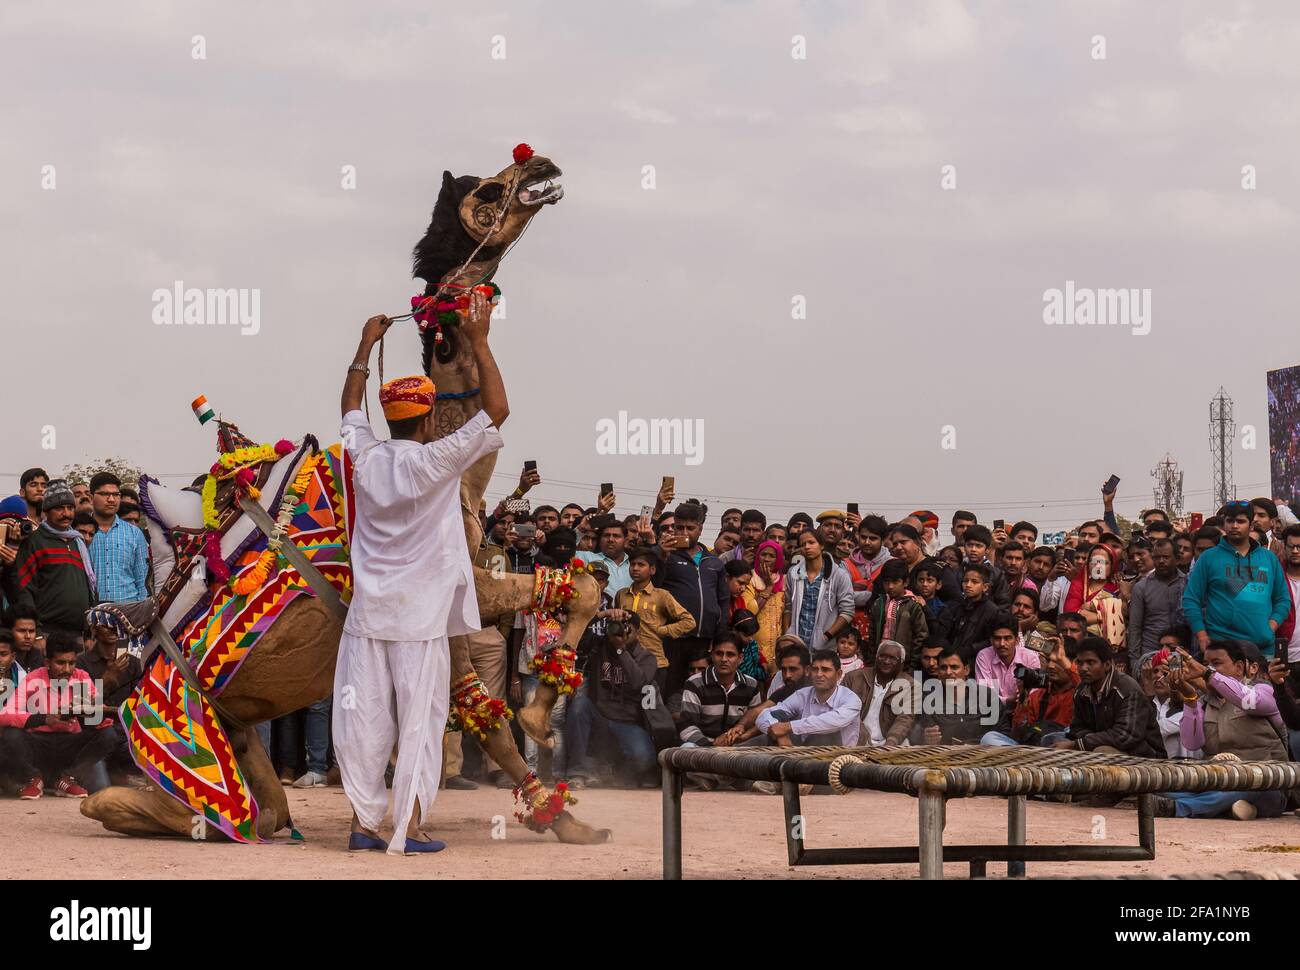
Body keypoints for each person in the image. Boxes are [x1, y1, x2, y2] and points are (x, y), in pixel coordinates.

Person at [332, 297, 506, 856]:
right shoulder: (438, 460)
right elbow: (497, 412)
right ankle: (409, 827)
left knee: (364, 723)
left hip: (367, 619)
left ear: (391, 418)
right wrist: (479, 340)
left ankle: (364, 824)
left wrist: (365, 346)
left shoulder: (364, 455)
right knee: (420, 723)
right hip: (421, 621)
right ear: (430, 418)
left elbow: (350, 410)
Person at [1153, 642, 1289, 819]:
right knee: (1163, 786)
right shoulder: (1205, 702)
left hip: (1267, 785)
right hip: (1218, 782)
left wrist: (1206, 674)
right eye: (1205, 663)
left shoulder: (1263, 690)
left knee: (1246, 786)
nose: (1207, 668)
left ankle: (1179, 808)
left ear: (1239, 667)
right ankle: (1234, 809)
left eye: (1216, 663)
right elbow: (1192, 744)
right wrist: (1190, 699)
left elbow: (1245, 699)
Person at [0, 635, 118, 799]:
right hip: (38, 744)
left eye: (72, 663)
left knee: (108, 734)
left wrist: (94, 711)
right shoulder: (33, 678)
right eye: (61, 663)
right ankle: (32, 778)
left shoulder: (81, 677)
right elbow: (4, 714)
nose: (67, 669)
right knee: (11, 734)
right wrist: (45, 718)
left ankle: (68, 778)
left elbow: (100, 720)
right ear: (47, 663)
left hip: (70, 743)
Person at [1182, 501, 1291, 657]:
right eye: (1230, 521)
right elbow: (1190, 599)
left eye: (1240, 521)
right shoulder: (1208, 558)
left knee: (1261, 683)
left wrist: (1269, 628)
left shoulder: (1269, 558)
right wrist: (1201, 634)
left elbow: (1283, 600)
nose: (1234, 526)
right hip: (1222, 650)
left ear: (1251, 525)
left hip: (1263, 650)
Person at [565, 617, 659, 789]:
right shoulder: (600, 647)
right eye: (616, 628)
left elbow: (639, 683)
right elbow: (579, 630)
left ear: (638, 632)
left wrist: (621, 651)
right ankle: (576, 773)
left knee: (645, 758)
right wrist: (602, 615)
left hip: (627, 720)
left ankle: (615, 775)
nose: (621, 632)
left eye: (626, 628)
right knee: (579, 706)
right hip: (599, 713)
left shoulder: (647, 658)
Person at [658, 501, 729, 698]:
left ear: (700, 528)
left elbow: (723, 600)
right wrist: (661, 555)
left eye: (690, 528)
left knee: (701, 691)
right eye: (679, 527)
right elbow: (654, 586)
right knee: (670, 688)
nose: (685, 532)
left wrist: (719, 636)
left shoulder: (713, 562)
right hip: (674, 639)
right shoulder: (667, 557)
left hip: (704, 640)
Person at [1052, 637, 1164, 757]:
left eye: (1090, 662)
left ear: (1107, 665)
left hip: (1145, 757)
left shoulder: (1127, 689)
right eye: (1080, 663)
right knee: (1052, 740)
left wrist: (1080, 744)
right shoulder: (1081, 690)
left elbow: (1125, 735)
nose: (1083, 668)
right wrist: (1085, 741)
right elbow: (1076, 728)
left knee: (1102, 752)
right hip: (1100, 747)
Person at [677, 633, 763, 790]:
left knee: (759, 747)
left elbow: (755, 724)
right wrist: (711, 744)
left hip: (736, 748)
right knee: (686, 750)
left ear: (740, 658)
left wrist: (737, 740)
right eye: (719, 653)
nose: (724, 659)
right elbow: (686, 726)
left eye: (730, 654)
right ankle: (733, 779)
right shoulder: (695, 683)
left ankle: (711, 778)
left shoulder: (751, 685)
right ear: (712, 655)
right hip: (705, 747)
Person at [12, 481, 96, 641]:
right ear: (47, 511)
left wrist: (89, 635)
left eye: (70, 508)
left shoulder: (78, 542)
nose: (66, 513)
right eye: (59, 508)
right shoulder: (35, 541)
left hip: (78, 634)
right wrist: (36, 634)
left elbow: (89, 588)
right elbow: (25, 590)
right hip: (47, 633)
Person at [614, 546, 696, 692]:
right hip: (626, 662)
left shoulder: (661, 596)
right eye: (632, 564)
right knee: (626, 708)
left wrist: (662, 630)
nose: (635, 568)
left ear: (652, 570)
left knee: (650, 710)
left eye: (641, 565)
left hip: (654, 663)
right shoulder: (621, 595)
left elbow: (689, 621)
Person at [982, 636, 1079, 746]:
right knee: (989, 737)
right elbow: (1017, 733)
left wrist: (1062, 659)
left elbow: (1083, 685)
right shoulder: (1038, 695)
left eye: (1057, 662)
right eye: (1048, 661)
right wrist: (1023, 697)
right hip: (1034, 748)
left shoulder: (1079, 693)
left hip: (1061, 747)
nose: (1051, 666)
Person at [754, 648, 862, 746]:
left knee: (822, 735)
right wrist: (780, 734)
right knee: (776, 716)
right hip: (805, 754)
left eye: (825, 670)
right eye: (815, 669)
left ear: (838, 674)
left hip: (839, 758)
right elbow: (763, 716)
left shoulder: (851, 699)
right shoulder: (803, 694)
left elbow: (833, 722)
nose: (819, 674)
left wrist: (788, 727)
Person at [782, 529, 854, 651]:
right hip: (796, 644)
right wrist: (787, 635)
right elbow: (788, 606)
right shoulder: (793, 573)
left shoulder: (839, 575)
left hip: (825, 647)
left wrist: (826, 636)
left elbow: (847, 612)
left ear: (821, 545)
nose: (807, 547)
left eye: (811, 542)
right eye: (803, 544)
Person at [85, 472, 150, 603]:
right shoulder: (81, 532)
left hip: (128, 610)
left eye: (116, 495)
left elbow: (142, 578)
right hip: (90, 610)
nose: (111, 499)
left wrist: (141, 611)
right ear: (91, 497)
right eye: (104, 494)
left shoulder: (134, 533)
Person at [1126, 538, 1186, 672]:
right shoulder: (1141, 587)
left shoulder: (1187, 583)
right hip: (1151, 653)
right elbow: (1135, 627)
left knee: (1176, 686)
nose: (1161, 561)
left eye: (1166, 557)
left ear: (1177, 558)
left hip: (1178, 653)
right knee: (1153, 689)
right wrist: (1135, 662)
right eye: (1157, 557)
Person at [843, 639, 915, 745]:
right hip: (855, 738)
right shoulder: (853, 677)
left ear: (901, 664)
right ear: (876, 657)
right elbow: (843, 709)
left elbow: (905, 719)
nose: (886, 661)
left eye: (892, 658)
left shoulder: (909, 685)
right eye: (883, 656)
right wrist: (857, 726)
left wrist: (891, 741)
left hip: (889, 742)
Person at [920, 647, 994, 745]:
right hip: (944, 757)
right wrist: (926, 738)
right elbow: (923, 731)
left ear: (966, 670)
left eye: (954, 667)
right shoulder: (929, 700)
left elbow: (1002, 733)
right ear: (938, 671)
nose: (948, 672)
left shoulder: (987, 696)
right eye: (943, 667)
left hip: (985, 756)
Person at [934, 562, 1001, 661]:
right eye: (965, 581)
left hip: (975, 660)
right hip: (951, 657)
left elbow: (991, 640)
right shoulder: (956, 606)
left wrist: (970, 649)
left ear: (985, 587)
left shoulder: (992, 610)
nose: (968, 585)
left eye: (974, 582)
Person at [974, 611, 1041, 710]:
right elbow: (985, 695)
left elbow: (1035, 692)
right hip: (993, 712)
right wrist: (1008, 701)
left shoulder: (1030, 657)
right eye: (997, 638)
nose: (1002, 644)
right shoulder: (983, 656)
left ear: (1017, 640)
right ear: (991, 640)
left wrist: (1022, 699)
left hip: (1024, 710)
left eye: (1007, 638)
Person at [866, 557, 929, 663]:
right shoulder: (879, 603)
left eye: (895, 582)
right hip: (880, 659)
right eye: (886, 582)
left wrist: (912, 665)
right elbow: (872, 635)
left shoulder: (913, 606)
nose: (890, 586)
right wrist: (871, 660)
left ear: (906, 582)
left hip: (903, 662)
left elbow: (921, 637)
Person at [844, 514, 891, 634]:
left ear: (884, 539)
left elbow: (890, 597)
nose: (867, 542)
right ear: (857, 535)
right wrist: (872, 595)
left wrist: (855, 593)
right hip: (848, 630)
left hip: (880, 628)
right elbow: (842, 596)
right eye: (863, 537)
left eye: (873, 538)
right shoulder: (845, 564)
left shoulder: (891, 563)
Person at [751, 539, 786, 671]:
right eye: (763, 554)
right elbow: (750, 613)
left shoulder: (785, 580)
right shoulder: (750, 578)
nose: (766, 559)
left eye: (772, 556)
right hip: (755, 646)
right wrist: (769, 587)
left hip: (777, 646)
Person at [577, 520, 632, 595]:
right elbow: (566, 547)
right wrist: (580, 530)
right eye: (606, 535)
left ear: (625, 540)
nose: (611, 540)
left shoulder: (634, 564)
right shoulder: (586, 557)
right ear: (600, 539)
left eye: (616, 536)